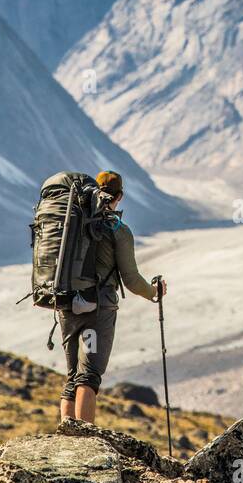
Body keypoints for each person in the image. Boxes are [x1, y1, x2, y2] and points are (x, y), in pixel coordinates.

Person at [58, 170, 166, 424]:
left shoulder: (73, 223)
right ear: (120, 196)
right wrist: (154, 293)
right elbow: (131, 280)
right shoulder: (117, 229)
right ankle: (82, 440)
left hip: (67, 305)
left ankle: (65, 436)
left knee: (73, 375)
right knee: (89, 374)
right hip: (97, 311)